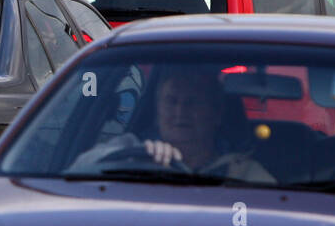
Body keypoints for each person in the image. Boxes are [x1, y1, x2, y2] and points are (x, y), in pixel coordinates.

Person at [69, 66, 276, 183]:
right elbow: (75, 174)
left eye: (192, 102)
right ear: (157, 110)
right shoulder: (128, 149)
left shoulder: (246, 173)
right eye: (171, 101)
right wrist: (136, 158)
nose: (180, 112)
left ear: (217, 114)